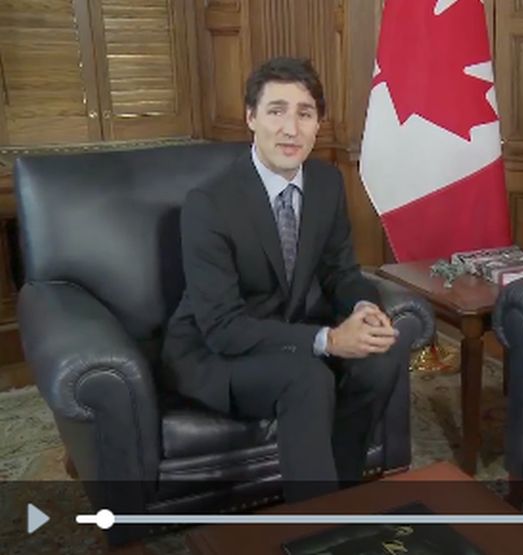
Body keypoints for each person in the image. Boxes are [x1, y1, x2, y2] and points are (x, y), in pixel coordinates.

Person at [161, 57, 403, 502]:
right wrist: (328, 340)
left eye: (304, 113)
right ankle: (316, 530)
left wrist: (364, 309)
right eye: (276, 111)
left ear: (318, 124)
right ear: (251, 118)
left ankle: (343, 497)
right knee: (306, 376)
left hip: (286, 337)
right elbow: (222, 328)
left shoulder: (327, 184)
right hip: (213, 351)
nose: (291, 128)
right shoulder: (210, 204)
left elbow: (340, 271)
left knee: (382, 355)